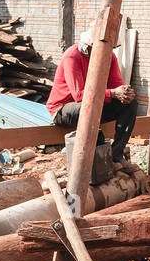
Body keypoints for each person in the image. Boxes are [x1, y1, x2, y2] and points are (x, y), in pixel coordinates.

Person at [47, 29, 137, 163]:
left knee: (130, 104)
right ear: (90, 47)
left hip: (94, 106)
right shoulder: (73, 56)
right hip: (62, 110)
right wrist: (112, 93)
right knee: (90, 106)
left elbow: (117, 85)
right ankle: (95, 158)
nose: (108, 51)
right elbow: (79, 95)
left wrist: (124, 93)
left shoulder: (110, 57)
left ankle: (115, 155)